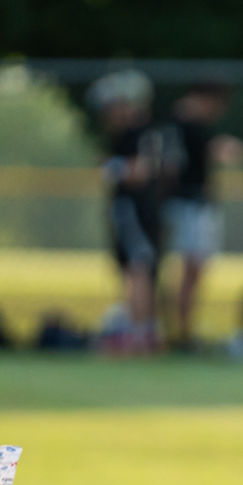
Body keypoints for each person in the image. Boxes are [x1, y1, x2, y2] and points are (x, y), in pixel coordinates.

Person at [159, 83, 243, 352]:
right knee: (192, 267)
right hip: (190, 204)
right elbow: (221, 151)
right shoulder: (191, 126)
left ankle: (181, 329)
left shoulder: (171, 123)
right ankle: (182, 331)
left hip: (180, 203)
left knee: (188, 268)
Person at [92, 71, 165, 355]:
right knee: (134, 268)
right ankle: (142, 328)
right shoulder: (133, 133)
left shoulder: (136, 133)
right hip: (137, 208)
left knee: (138, 268)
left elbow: (139, 171)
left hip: (134, 208)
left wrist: (111, 169)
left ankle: (139, 333)